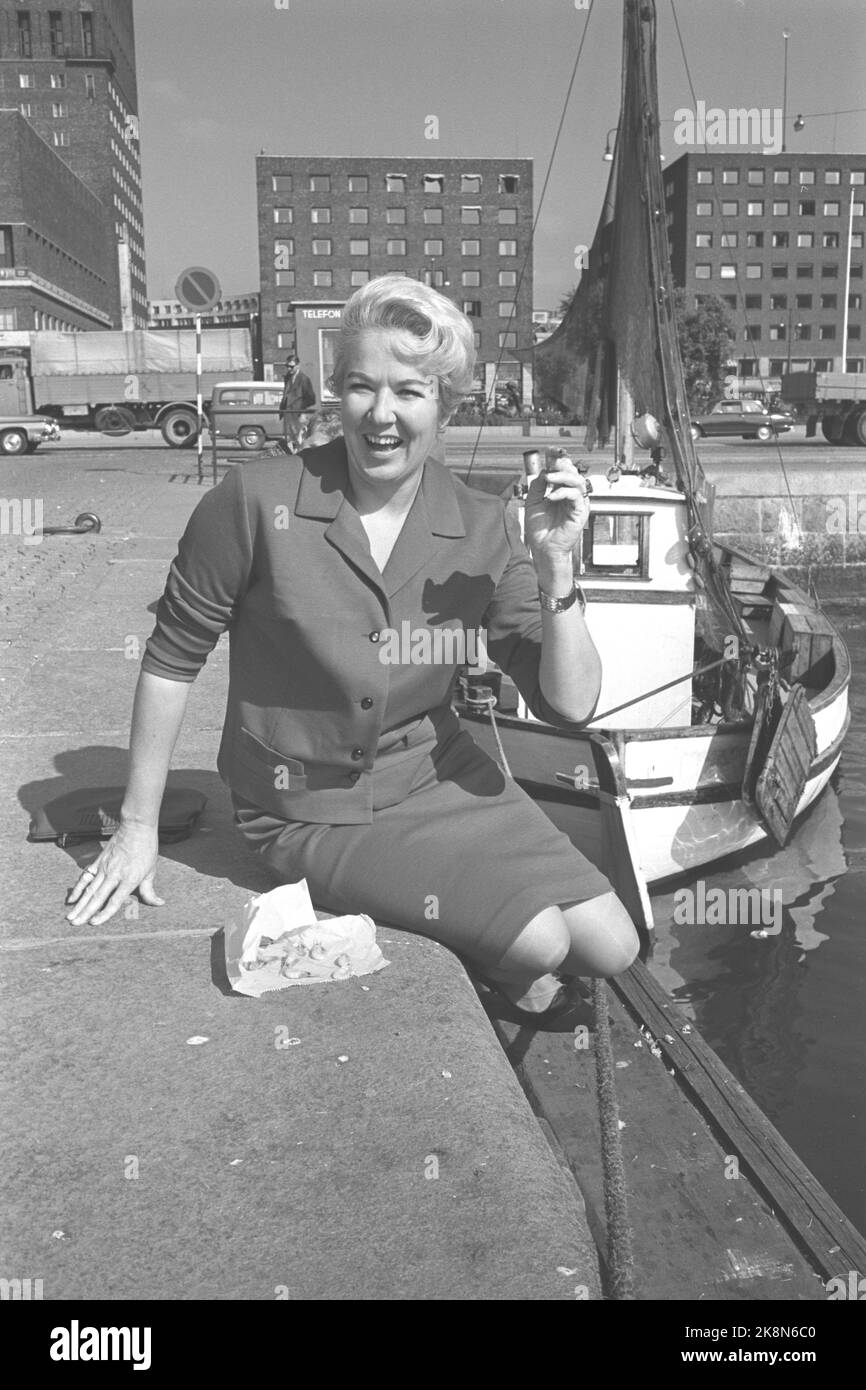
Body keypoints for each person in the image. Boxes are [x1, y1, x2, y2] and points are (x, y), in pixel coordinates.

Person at [66, 274, 639, 1023]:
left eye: (411, 390)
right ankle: (493, 958)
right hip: (305, 803)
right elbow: (172, 659)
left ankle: (481, 931)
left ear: (446, 404)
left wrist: (559, 569)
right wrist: (137, 830)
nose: (382, 414)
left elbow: (568, 702)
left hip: (437, 776)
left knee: (614, 943)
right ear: (335, 391)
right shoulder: (251, 502)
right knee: (536, 944)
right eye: (362, 386)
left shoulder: (485, 523)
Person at [279, 352, 316, 449]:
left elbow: (311, 399)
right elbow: (286, 393)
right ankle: (292, 458)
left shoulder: (304, 379)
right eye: (287, 366)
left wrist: (302, 409)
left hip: (298, 414)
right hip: (288, 412)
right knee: (289, 440)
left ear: (298, 366)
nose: (289, 369)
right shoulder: (287, 377)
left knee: (299, 439)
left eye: (291, 367)